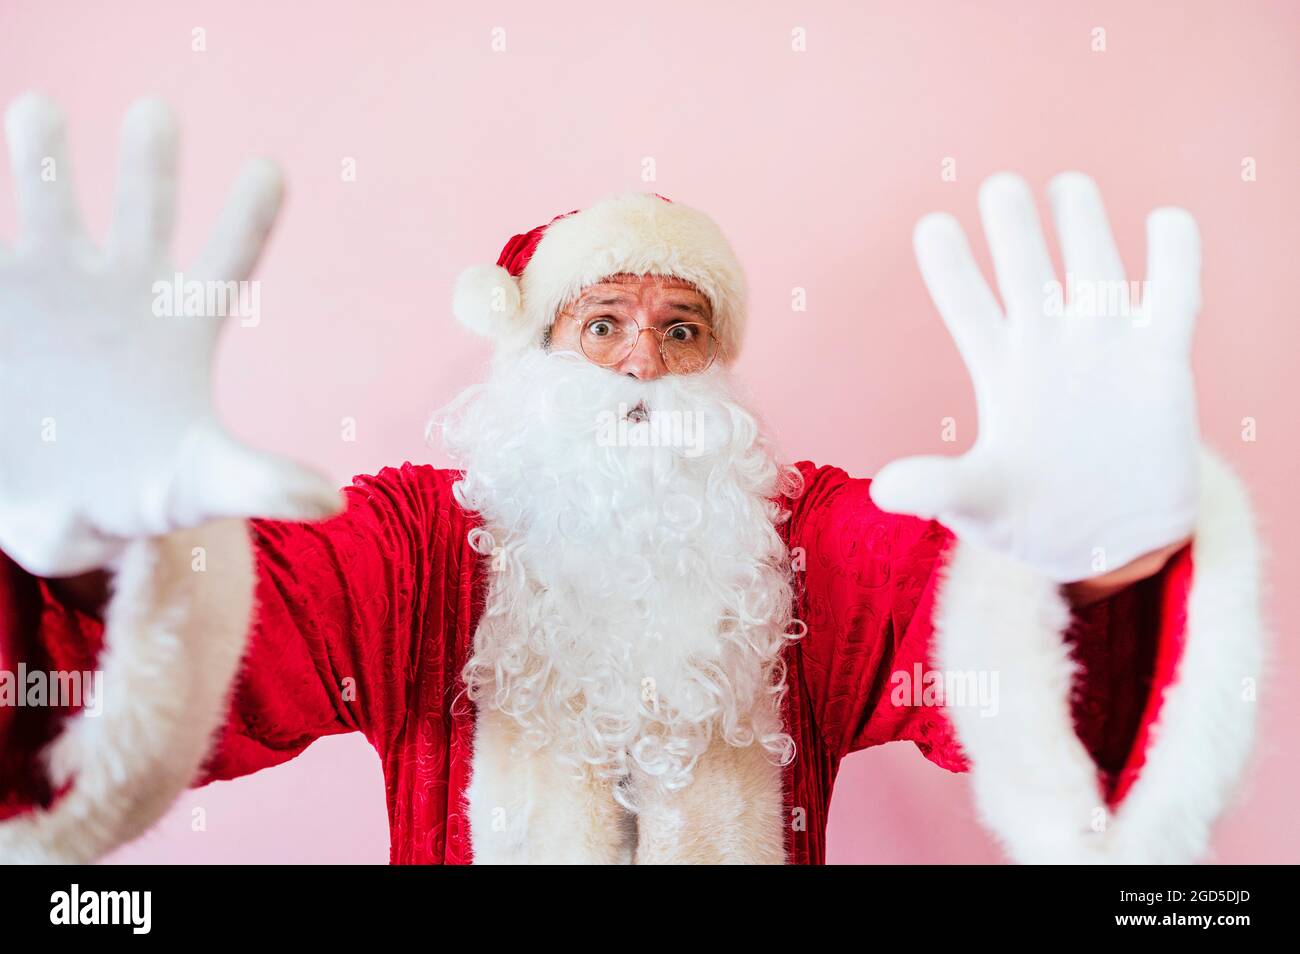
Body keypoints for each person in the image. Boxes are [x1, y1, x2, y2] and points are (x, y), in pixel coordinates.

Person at [0, 94, 1264, 864]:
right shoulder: (423, 544)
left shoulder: (803, 542)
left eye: (679, 329)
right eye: (601, 322)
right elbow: (235, 650)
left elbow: (971, 642)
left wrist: (1097, 571)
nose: (640, 366)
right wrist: (79, 571)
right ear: (537, 348)